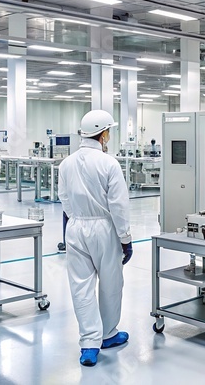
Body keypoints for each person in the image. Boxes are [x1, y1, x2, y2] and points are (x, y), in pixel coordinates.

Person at [58, 110, 132, 367]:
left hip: (76, 227)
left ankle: (89, 344)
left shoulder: (66, 164)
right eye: (109, 131)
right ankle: (108, 334)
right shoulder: (109, 163)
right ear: (103, 134)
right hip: (104, 229)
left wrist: (77, 219)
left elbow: (64, 198)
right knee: (111, 283)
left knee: (81, 286)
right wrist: (125, 238)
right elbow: (118, 205)